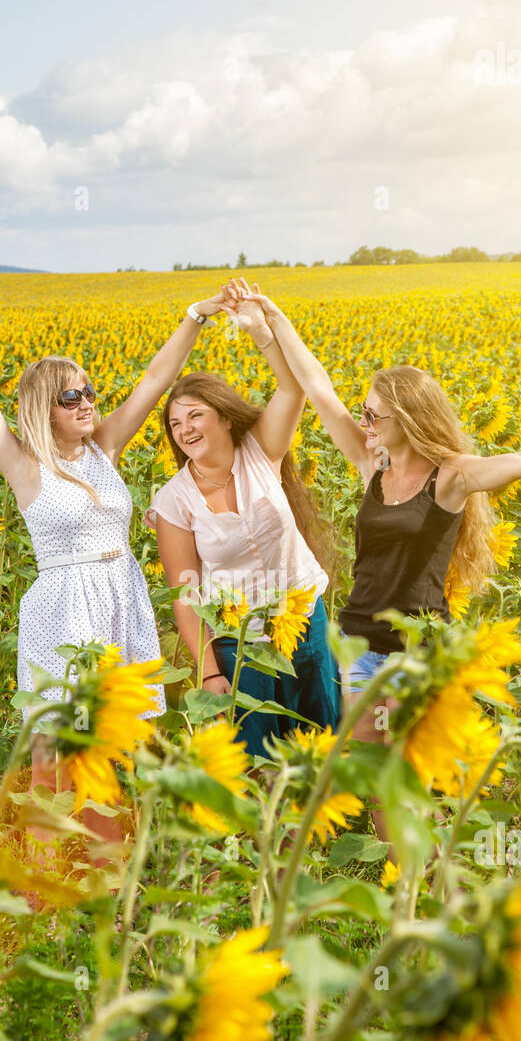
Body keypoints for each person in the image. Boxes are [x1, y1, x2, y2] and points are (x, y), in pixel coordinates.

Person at [0, 292, 229, 849]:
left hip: (119, 597)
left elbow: (158, 379)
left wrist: (196, 315)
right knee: (60, 740)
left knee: (111, 737)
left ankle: (107, 868)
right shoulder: (22, 463)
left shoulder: (104, 448)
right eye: (71, 396)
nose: (87, 402)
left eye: (88, 391)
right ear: (45, 407)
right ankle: (51, 875)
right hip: (62, 609)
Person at [236, 289, 521, 751]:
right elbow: (318, 386)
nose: (364, 422)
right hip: (358, 643)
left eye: (373, 415)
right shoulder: (373, 465)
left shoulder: (449, 478)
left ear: (408, 418)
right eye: (363, 411)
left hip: (416, 650)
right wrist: (275, 319)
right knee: (370, 774)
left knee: (405, 774)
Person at [145, 283, 341, 758]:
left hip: (303, 620)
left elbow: (293, 385)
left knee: (323, 746)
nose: (186, 429)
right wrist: (209, 672)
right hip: (240, 647)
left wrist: (261, 330)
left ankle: (322, 832)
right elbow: (186, 595)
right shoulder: (175, 502)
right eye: (175, 423)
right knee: (258, 764)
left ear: (226, 418)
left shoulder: (261, 451)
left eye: (196, 416)